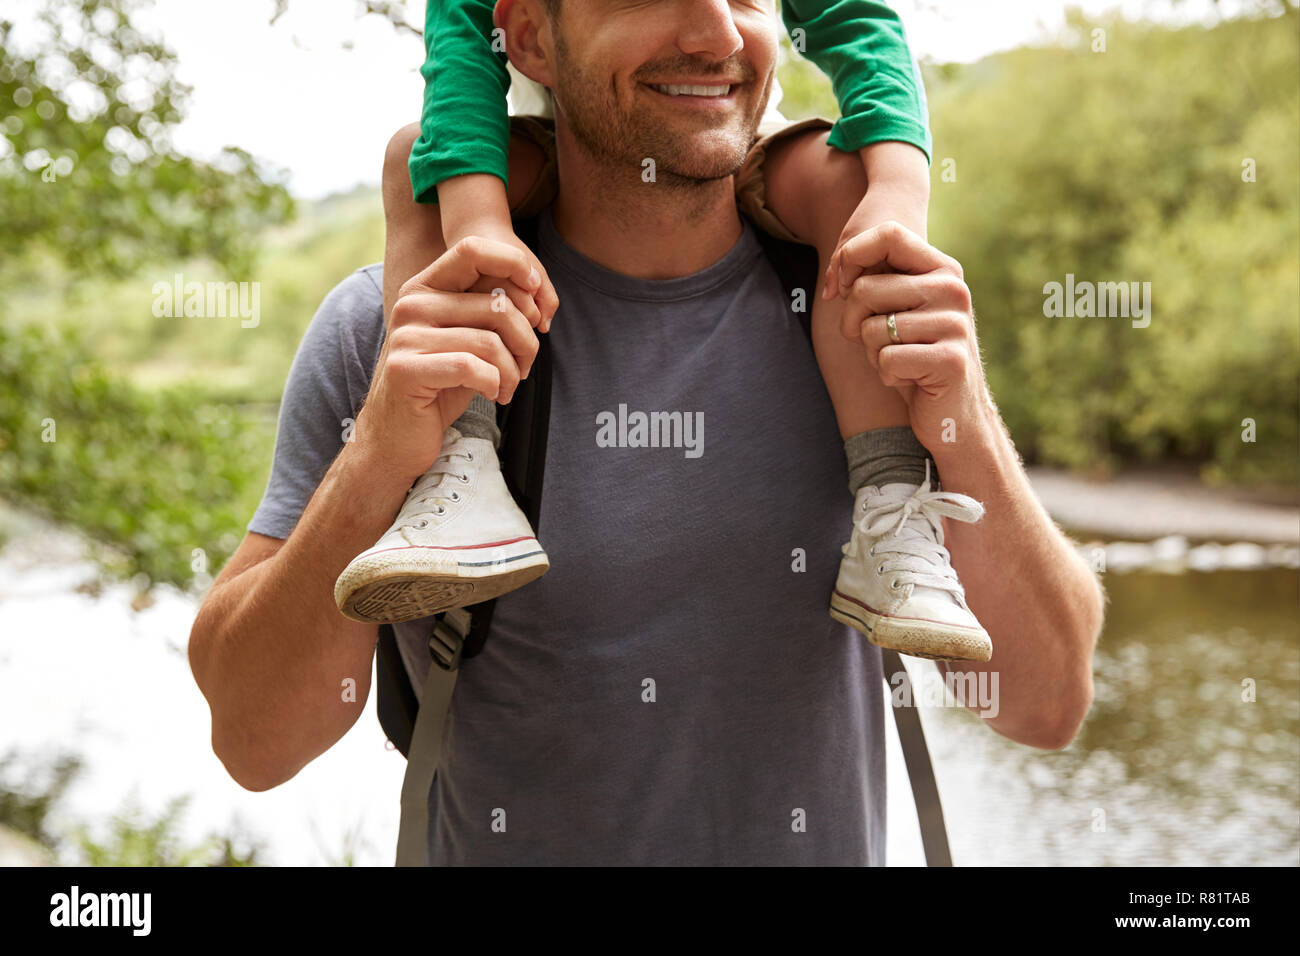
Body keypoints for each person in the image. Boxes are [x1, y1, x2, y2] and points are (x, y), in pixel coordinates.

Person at [188, 0, 1103, 865]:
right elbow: (255, 741)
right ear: (532, 43)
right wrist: (382, 454)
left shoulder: (868, 314)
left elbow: (1046, 704)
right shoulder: (394, 327)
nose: (716, 33)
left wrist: (959, 415)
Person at [332, 0, 995, 664]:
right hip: (571, 129)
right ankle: (458, 466)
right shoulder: (357, 320)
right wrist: (479, 230)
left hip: (733, 130)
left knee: (854, 181)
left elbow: (861, 24)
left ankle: (893, 508)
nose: (717, 31)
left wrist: (898, 198)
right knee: (415, 158)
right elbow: (462, 56)